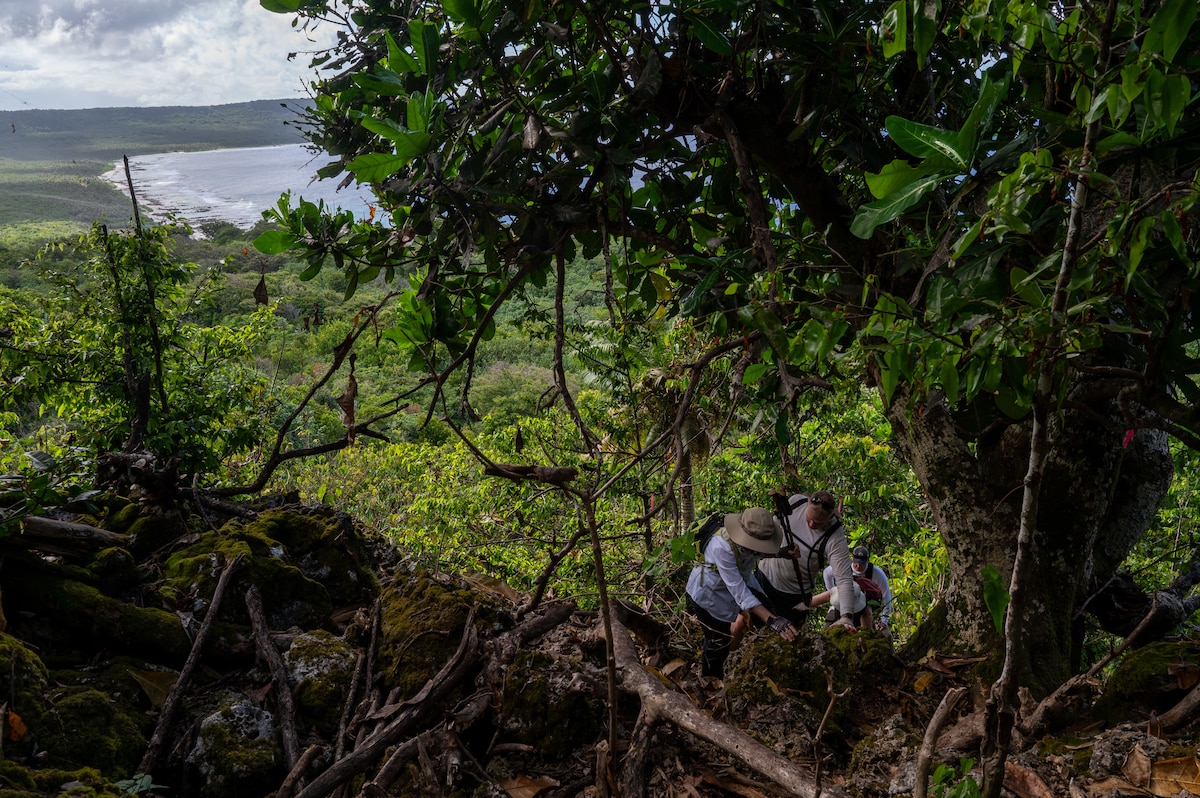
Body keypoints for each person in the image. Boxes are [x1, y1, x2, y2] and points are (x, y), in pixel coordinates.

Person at [686, 507, 798, 679]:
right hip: (708, 596)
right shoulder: (721, 547)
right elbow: (739, 592)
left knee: (771, 611)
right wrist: (772, 620)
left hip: (740, 583)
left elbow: (756, 552)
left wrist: (782, 553)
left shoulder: (748, 540)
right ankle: (709, 684)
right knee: (718, 644)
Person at [755, 490, 858, 630]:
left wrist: (846, 617)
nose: (810, 524)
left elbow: (844, 579)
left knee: (786, 638)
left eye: (817, 524)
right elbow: (774, 526)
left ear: (831, 517)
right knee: (745, 624)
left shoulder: (835, 536)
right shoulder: (796, 502)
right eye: (808, 519)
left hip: (792, 596)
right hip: (763, 578)